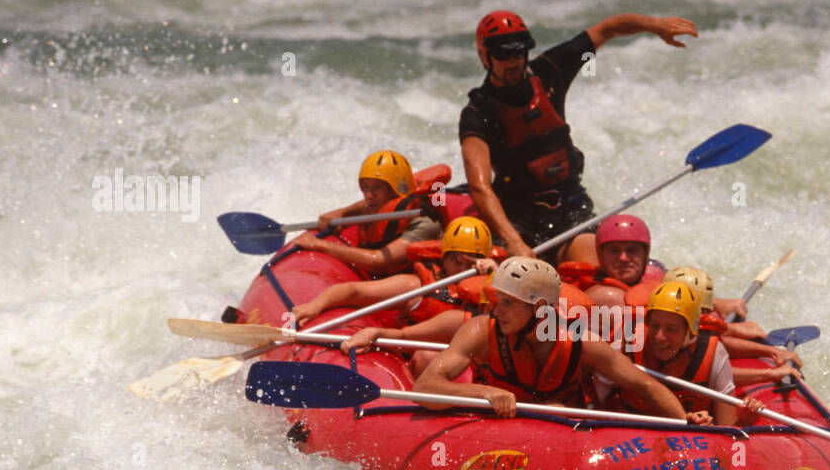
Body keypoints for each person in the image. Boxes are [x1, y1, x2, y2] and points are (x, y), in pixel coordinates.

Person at [460, 10, 697, 263]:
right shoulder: (477, 114)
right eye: (502, 55)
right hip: (518, 219)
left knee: (594, 262)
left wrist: (655, 24)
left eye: (519, 52)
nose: (513, 62)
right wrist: (514, 242)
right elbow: (479, 186)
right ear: (485, 57)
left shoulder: (551, 72)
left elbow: (607, 29)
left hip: (569, 210)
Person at [413, 257, 686, 420]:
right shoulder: (481, 331)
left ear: (539, 307)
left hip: (559, 436)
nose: (498, 310)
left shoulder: (581, 341)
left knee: (555, 409)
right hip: (494, 430)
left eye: (508, 303)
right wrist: (485, 392)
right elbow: (424, 388)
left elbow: (646, 386)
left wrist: (684, 423)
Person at [593, 281, 765, 427]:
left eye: (671, 329)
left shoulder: (713, 355)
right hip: (627, 440)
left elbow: (726, 429)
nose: (659, 336)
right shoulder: (626, 345)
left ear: (690, 332)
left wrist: (744, 421)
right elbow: (595, 410)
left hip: (685, 446)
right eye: (654, 326)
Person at [290, 216, 497, 334]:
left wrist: (495, 275)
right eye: (457, 261)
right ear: (444, 259)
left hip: (467, 364)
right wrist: (316, 305)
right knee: (426, 356)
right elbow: (353, 291)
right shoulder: (416, 286)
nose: (462, 270)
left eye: (471, 264)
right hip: (423, 358)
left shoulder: (493, 289)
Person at [292, 149, 444, 277]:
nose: (369, 195)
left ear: (395, 190)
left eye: (377, 187)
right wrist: (342, 212)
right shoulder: (379, 205)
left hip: (415, 281)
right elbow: (366, 204)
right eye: (365, 187)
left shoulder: (424, 223)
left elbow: (376, 260)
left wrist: (320, 245)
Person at [658, 266, 804, 384]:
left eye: (704, 312)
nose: (701, 319)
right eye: (696, 312)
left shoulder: (695, 330)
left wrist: (772, 352)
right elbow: (712, 372)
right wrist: (771, 374)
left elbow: (714, 346)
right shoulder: (650, 333)